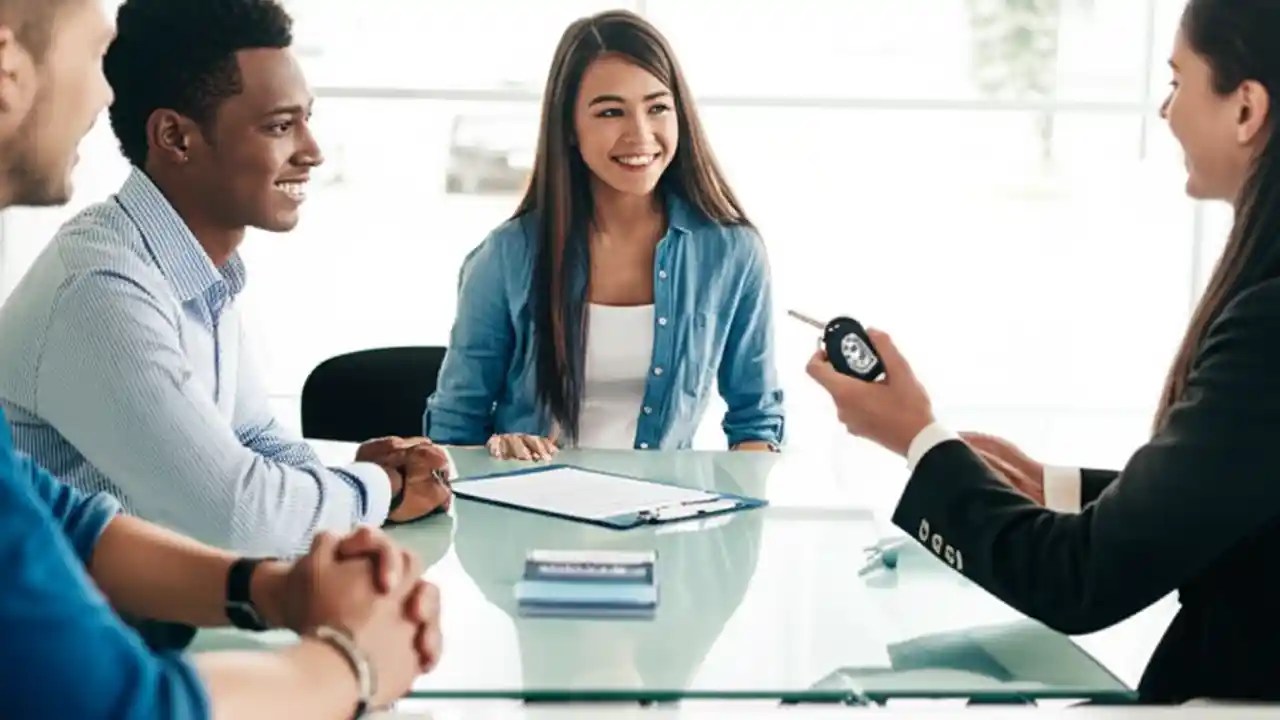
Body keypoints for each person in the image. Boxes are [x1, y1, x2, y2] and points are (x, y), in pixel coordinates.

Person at [806, 0, 1280, 703]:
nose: (1165, 110)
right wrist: (1051, 488)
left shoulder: (1267, 327)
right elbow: (1241, 493)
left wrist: (914, 436)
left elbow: (1078, 580)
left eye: (1178, 80)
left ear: (1246, 108)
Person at [0, 0, 441, 717]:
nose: (106, 91)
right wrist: (351, 662)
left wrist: (273, 586)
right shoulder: (100, 290)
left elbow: (68, 516)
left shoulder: (195, 268)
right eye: (91, 57)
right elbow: (235, 515)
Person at [424, 10, 784, 460]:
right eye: (611, 111)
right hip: (529, 514)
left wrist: (742, 514)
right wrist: (494, 453)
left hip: (664, 517)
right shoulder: (505, 256)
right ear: (570, 128)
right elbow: (455, 427)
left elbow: (756, 421)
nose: (640, 134)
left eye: (657, 108)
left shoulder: (733, 253)